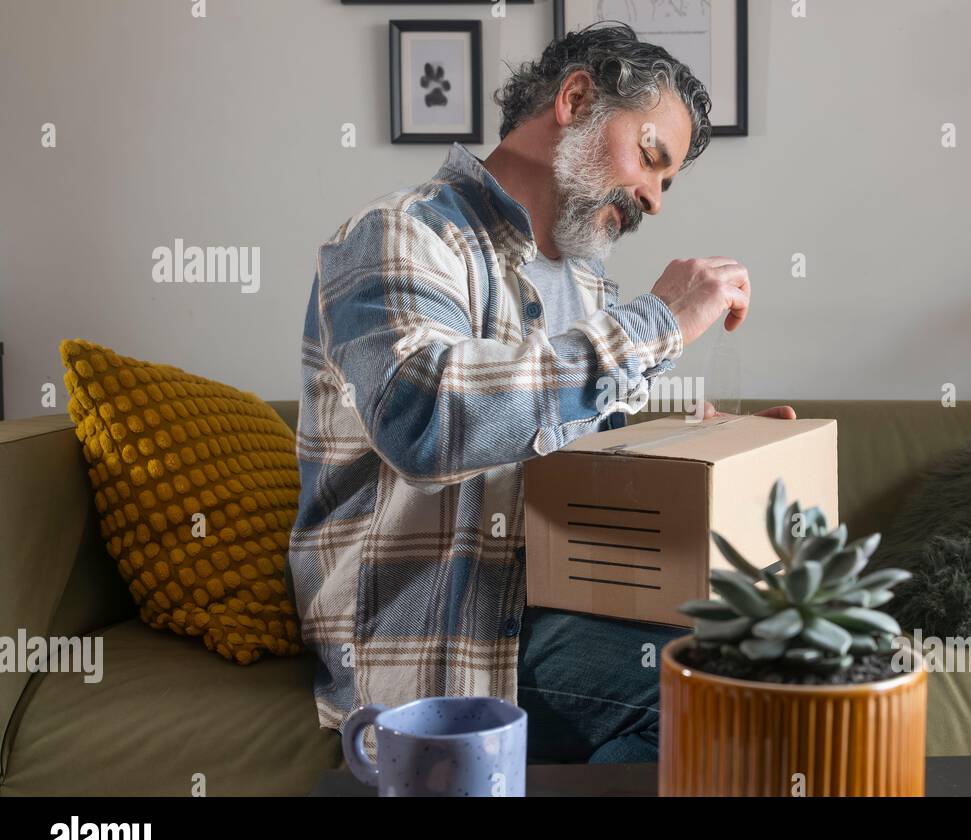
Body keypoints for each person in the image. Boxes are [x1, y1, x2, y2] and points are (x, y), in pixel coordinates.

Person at [289, 23, 794, 763]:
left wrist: (711, 451)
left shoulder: (590, 291)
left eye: (668, 182)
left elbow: (573, 478)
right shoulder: (399, 235)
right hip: (434, 644)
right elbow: (424, 417)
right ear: (577, 98)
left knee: (786, 650)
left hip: (556, 615)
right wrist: (660, 320)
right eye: (652, 160)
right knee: (736, 686)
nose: (655, 201)